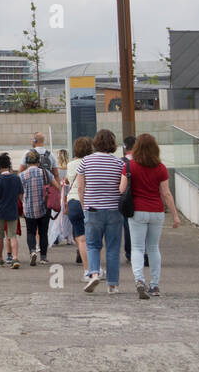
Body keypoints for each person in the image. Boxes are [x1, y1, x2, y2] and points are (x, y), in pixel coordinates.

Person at [121, 133, 181, 299]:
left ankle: (140, 280)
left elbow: (121, 189)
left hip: (137, 211)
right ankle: (155, 285)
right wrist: (175, 216)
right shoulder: (160, 167)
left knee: (137, 248)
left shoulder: (129, 166)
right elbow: (166, 193)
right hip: (156, 211)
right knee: (153, 248)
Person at [75, 128, 125, 293]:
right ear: (112, 144)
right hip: (113, 210)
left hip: (93, 208)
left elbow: (80, 187)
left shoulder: (86, 161)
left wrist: (84, 205)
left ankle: (94, 273)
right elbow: (122, 188)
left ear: (96, 142)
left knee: (92, 245)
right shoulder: (119, 163)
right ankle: (112, 284)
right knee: (112, 247)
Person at [20, 149, 56, 265]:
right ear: (38, 161)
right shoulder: (45, 173)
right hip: (44, 208)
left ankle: (32, 251)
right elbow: (57, 186)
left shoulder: (22, 175)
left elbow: (19, 193)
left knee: (30, 232)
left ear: (27, 162)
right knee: (43, 232)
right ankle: (43, 257)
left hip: (29, 208)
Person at [0, 153, 23, 269]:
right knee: (12, 235)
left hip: (0, 211)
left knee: (0, 236)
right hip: (12, 210)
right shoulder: (16, 179)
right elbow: (20, 196)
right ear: (9, 165)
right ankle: (14, 258)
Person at [66, 137, 92, 270]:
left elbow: (68, 181)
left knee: (80, 237)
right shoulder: (91, 163)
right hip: (88, 201)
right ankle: (93, 267)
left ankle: (87, 270)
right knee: (91, 237)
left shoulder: (70, 165)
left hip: (72, 202)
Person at [122, 134, 137, 265]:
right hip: (141, 199)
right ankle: (142, 252)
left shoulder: (121, 162)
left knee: (127, 227)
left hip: (126, 200)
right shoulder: (143, 161)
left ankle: (129, 253)